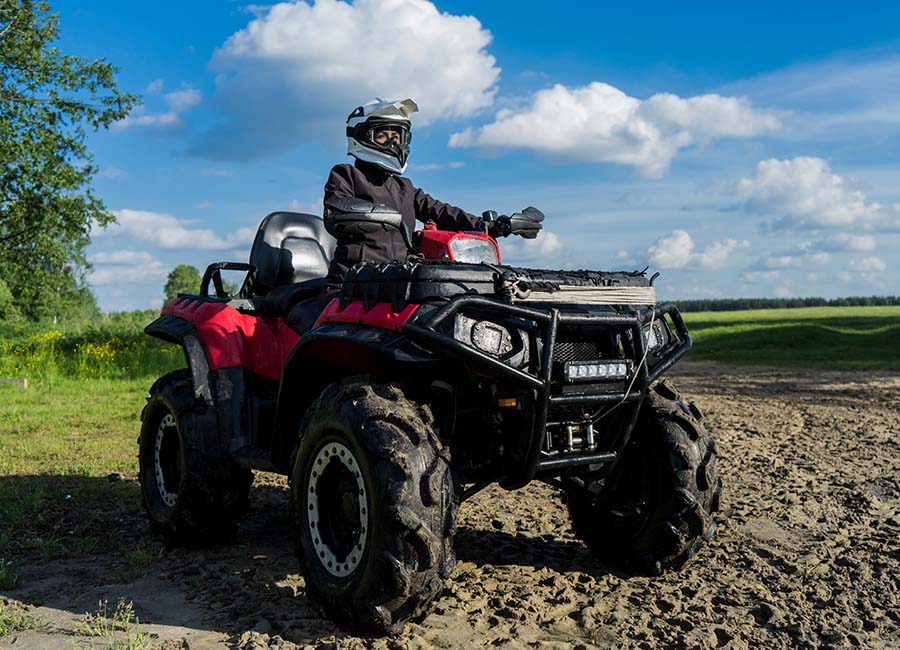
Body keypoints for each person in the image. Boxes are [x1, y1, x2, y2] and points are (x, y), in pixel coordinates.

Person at [322, 98, 543, 293]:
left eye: (397, 137)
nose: (393, 144)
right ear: (361, 136)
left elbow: (442, 212)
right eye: (383, 136)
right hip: (351, 285)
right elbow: (337, 208)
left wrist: (493, 226)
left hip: (397, 283)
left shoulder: (404, 187)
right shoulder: (346, 174)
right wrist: (377, 214)